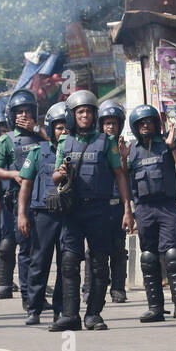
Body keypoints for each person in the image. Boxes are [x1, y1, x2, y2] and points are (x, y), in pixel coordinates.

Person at [50, 90, 133, 331]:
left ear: (94, 115)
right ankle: (70, 315)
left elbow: (120, 175)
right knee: (68, 261)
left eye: (88, 111)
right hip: (72, 211)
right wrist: (61, 174)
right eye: (80, 112)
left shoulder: (106, 142)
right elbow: (55, 175)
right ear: (72, 116)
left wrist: (127, 209)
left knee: (99, 263)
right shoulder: (64, 142)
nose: (84, 116)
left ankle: (94, 314)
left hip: (99, 210)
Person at [128, 104, 176, 323]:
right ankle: (155, 308)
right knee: (148, 258)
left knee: (173, 255)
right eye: (141, 123)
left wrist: (173, 147)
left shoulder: (166, 145)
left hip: (166, 207)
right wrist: (127, 212)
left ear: (156, 124)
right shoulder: (131, 150)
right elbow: (124, 183)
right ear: (135, 127)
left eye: (149, 121)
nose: (146, 125)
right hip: (144, 209)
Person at [18, 101, 70, 326]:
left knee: (65, 263)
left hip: (68, 214)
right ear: (51, 129)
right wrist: (22, 214)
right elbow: (26, 185)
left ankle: (60, 309)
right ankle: (34, 308)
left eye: (67, 127)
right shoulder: (38, 152)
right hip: (43, 214)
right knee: (39, 262)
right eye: (59, 127)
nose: (63, 131)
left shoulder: (75, 151)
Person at [0, 91, 41, 306]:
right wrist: (15, 175)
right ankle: (27, 297)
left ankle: (38, 295)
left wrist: (37, 130)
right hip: (19, 201)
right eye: (19, 112)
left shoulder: (41, 136)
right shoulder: (6, 140)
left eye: (27, 112)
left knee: (42, 250)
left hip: (43, 199)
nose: (23, 116)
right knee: (25, 249)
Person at [97, 99, 130, 304]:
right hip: (98, 205)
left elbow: (124, 176)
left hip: (117, 204)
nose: (111, 127)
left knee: (118, 248)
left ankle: (118, 288)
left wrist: (124, 156)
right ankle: (90, 288)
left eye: (114, 123)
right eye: (107, 123)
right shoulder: (96, 145)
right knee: (95, 250)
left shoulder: (124, 146)